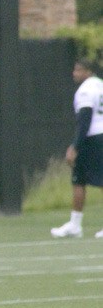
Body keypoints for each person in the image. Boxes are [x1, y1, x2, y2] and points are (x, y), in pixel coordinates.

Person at [51, 59, 103, 239]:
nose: (75, 73)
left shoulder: (86, 90)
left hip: (93, 138)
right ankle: (74, 225)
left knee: (85, 180)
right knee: (79, 180)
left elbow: (85, 119)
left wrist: (75, 146)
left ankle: (75, 225)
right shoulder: (100, 85)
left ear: (88, 71)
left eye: (79, 70)